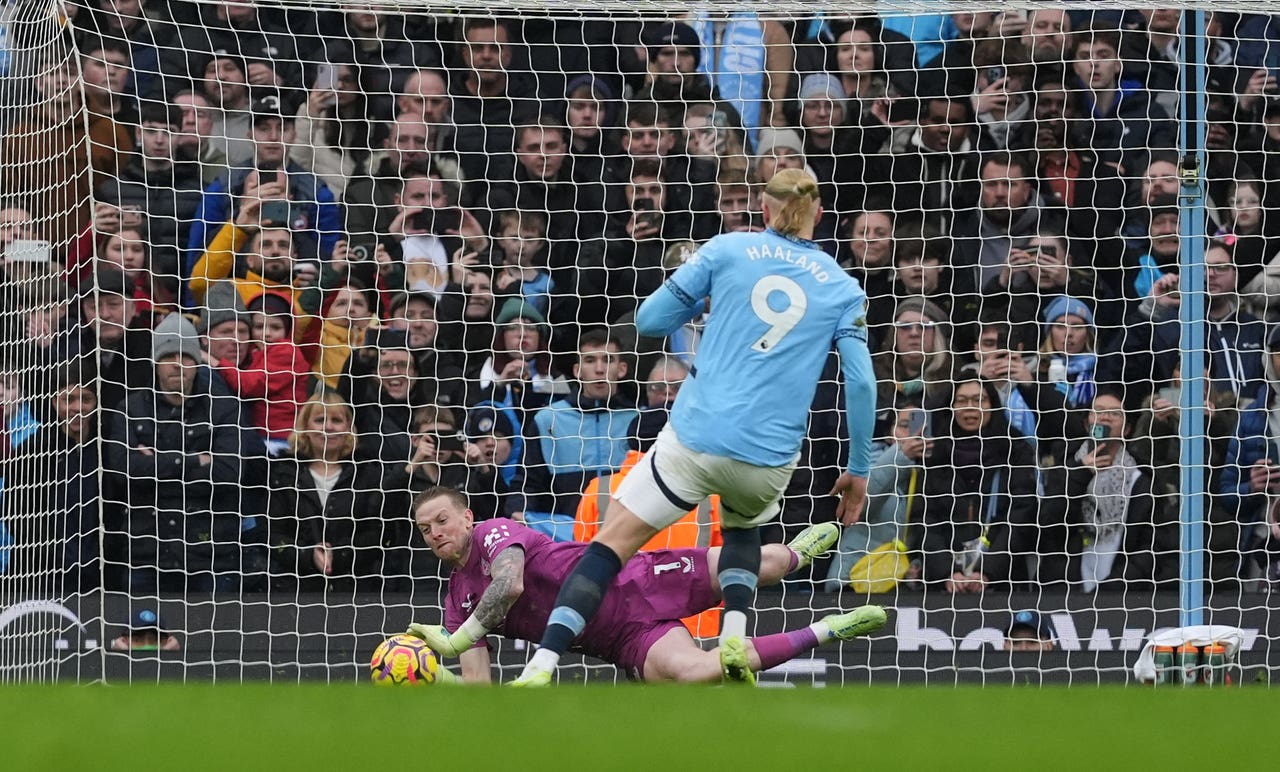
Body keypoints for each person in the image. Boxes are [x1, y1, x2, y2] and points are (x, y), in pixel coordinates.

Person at [509, 168, 876, 685]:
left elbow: (647, 322)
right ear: (818, 214)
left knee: (609, 546)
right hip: (768, 456)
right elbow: (860, 384)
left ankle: (542, 665)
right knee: (744, 529)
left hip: (697, 437)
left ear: (764, 210)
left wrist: (702, 300)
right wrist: (858, 469)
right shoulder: (842, 286)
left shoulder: (728, 249)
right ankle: (733, 635)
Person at [405, 487, 885, 683]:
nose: (437, 533)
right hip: (623, 639)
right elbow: (477, 686)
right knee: (698, 673)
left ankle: (800, 552)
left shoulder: (494, 533)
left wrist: (453, 640)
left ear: (467, 517)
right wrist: (430, 674)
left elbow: (507, 585)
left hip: (636, 581)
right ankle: (828, 630)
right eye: (427, 530)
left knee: (767, 564)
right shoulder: (455, 598)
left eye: (443, 520)